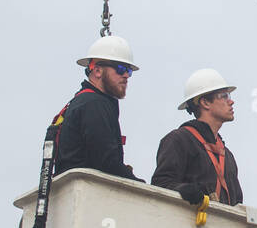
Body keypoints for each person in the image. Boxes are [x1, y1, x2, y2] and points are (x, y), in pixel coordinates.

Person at [51, 35, 144, 181]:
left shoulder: (82, 101)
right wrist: (138, 185)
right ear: (98, 71)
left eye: (129, 71)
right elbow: (105, 160)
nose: (126, 75)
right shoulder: (94, 104)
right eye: (120, 69)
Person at [152, 69, 243, 206]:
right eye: (224, 96)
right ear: (205, 102)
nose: (231, 102)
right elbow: (161, 185)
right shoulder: (178, 140)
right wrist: (183, 190)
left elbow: (238, 204)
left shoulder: (227, 155)